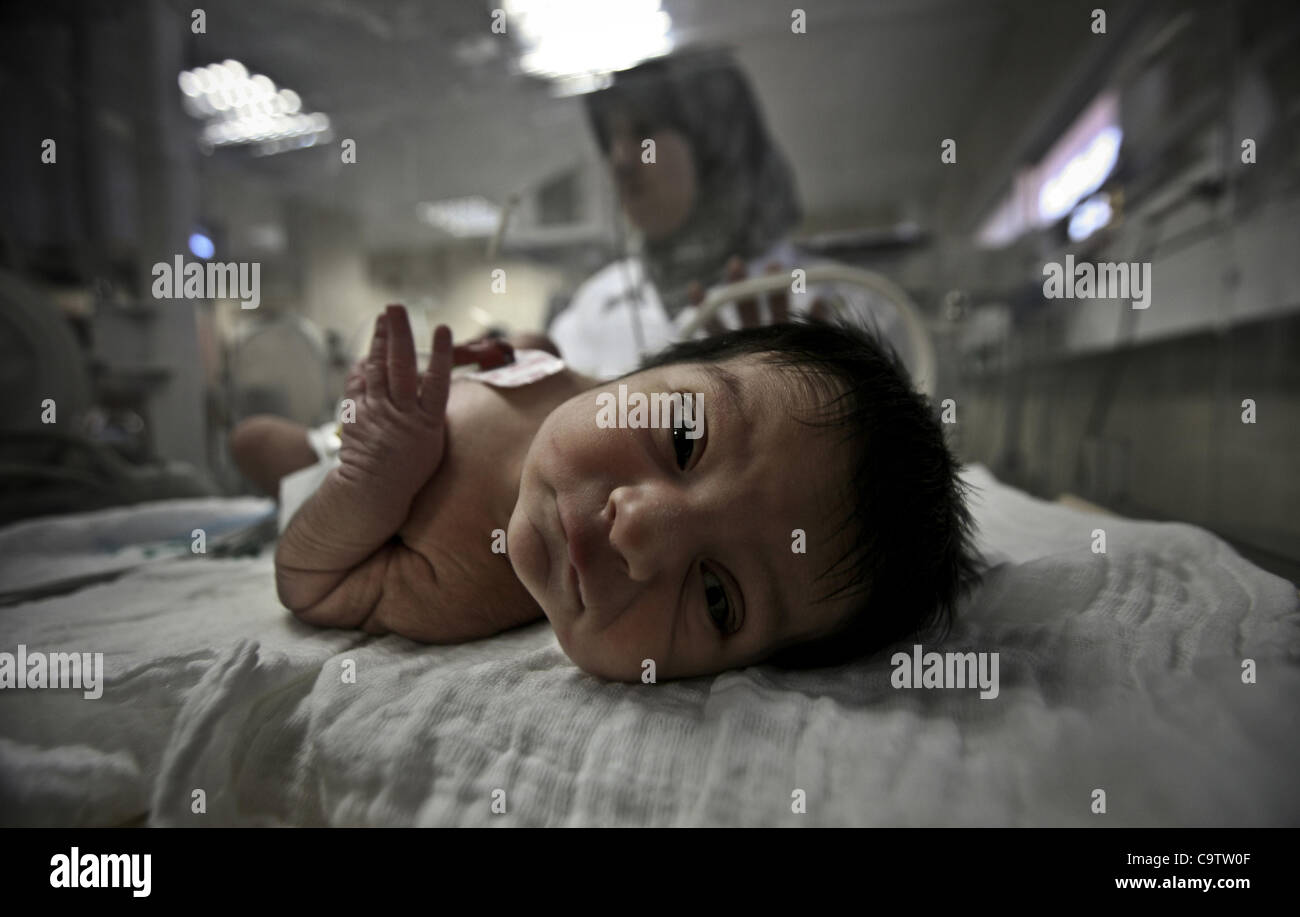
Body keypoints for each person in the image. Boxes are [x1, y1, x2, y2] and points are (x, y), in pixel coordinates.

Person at [273, 304, 980, 681]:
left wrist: (371, 481)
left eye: (716, 598)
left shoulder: (472, 583)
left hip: (336, 469)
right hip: (384, 403)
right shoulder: (576, 385)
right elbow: (537, 363)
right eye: (681, 439)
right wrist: (514, 350)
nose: (640, 530)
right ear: (643, 371)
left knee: (266, 447)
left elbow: (312, 581)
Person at [549, 48, 909, 380]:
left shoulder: (855, 310)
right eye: (609, 139)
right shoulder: (592, 310)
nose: (620, 160)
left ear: (716, 145)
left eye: (643, 132)